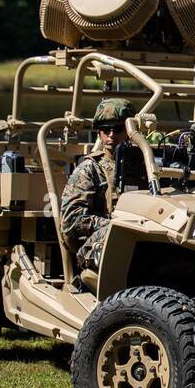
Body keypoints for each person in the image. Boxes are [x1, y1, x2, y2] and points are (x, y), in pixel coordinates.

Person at [61, 98, 133, 272]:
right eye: (105, 130)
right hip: (98, 245)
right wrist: (114, 227)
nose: (111, 135)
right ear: (99, 134)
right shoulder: (90, 168)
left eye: (118, 129)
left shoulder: (147, 164)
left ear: (131, 130)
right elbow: (71, 221)